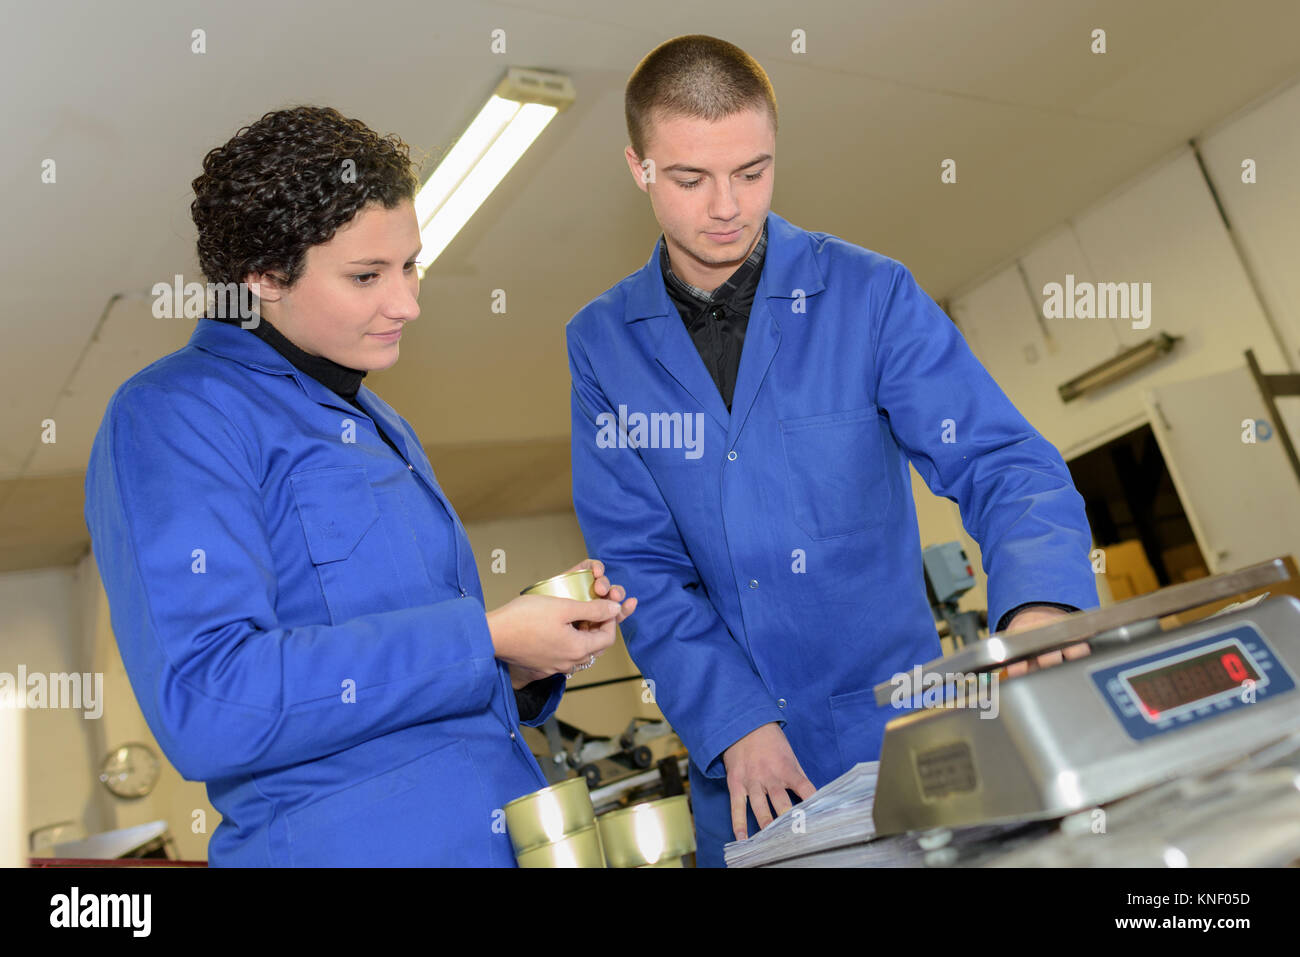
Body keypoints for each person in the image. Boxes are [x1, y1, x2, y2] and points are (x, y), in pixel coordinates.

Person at [565, 36, 1098, 868]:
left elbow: (1003, 462)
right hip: (745, 781)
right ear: (638, 168)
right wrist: (736, 719)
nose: (726, 207)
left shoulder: (869, 294)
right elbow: (640, 563)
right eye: (690, 178)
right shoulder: (601, 345)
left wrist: (1039, 604)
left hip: (909, 741)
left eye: (752, 171)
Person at [84, 105, 636, 866]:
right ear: (264, 276)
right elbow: (212, 699)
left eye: (410, 264)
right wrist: (482, 635)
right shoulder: (173, 415)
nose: (406, 302)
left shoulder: (377, 417)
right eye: (366, 276)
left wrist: (519, 660)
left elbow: (402, 682)